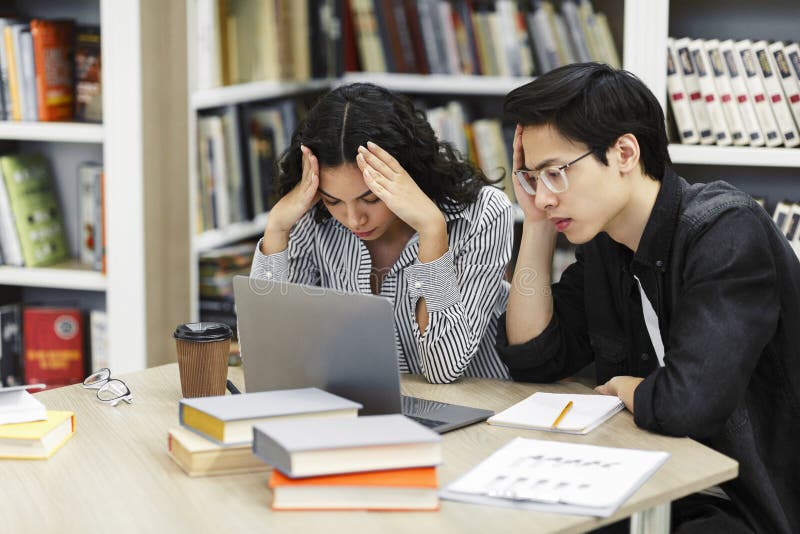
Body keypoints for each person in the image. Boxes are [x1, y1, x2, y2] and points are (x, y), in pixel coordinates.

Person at [496, 63, 799, 533]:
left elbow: (690, 403)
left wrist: (626, 388)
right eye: (534, 178)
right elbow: (535, 357)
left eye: (555, 173)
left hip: (746, 503)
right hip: (651, 480)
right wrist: (534, 223)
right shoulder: (604, 243)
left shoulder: (725, 232)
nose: (546, 195)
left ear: (624, 153)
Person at [250, 83, 512, 383]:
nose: (354, 218)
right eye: (334, 200)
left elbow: (443, 369)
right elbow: (266, 356)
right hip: (365, 412)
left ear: (406, 171)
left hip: (479, 416)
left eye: (371, 198)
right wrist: (277, 229)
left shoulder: (482, 215)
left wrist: (432, 230)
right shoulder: (313, 217)